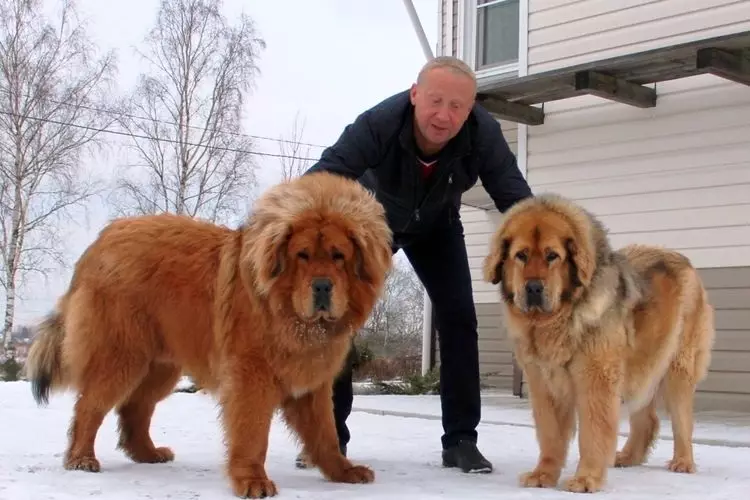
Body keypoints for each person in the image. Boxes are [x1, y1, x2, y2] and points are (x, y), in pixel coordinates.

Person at [297, 56, 533, 473]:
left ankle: (461, 440)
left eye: (457, 106)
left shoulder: (484, 134)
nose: (444, 115)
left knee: (460, 318)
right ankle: (329, 437)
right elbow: (319, 180)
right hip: (372, 221)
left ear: (471, 107)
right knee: (340, 318)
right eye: (435, 101)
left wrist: (559, 249)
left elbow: (517, 201)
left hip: (438, 224)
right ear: (415, 95)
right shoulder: (378, 124)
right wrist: (260, 231)